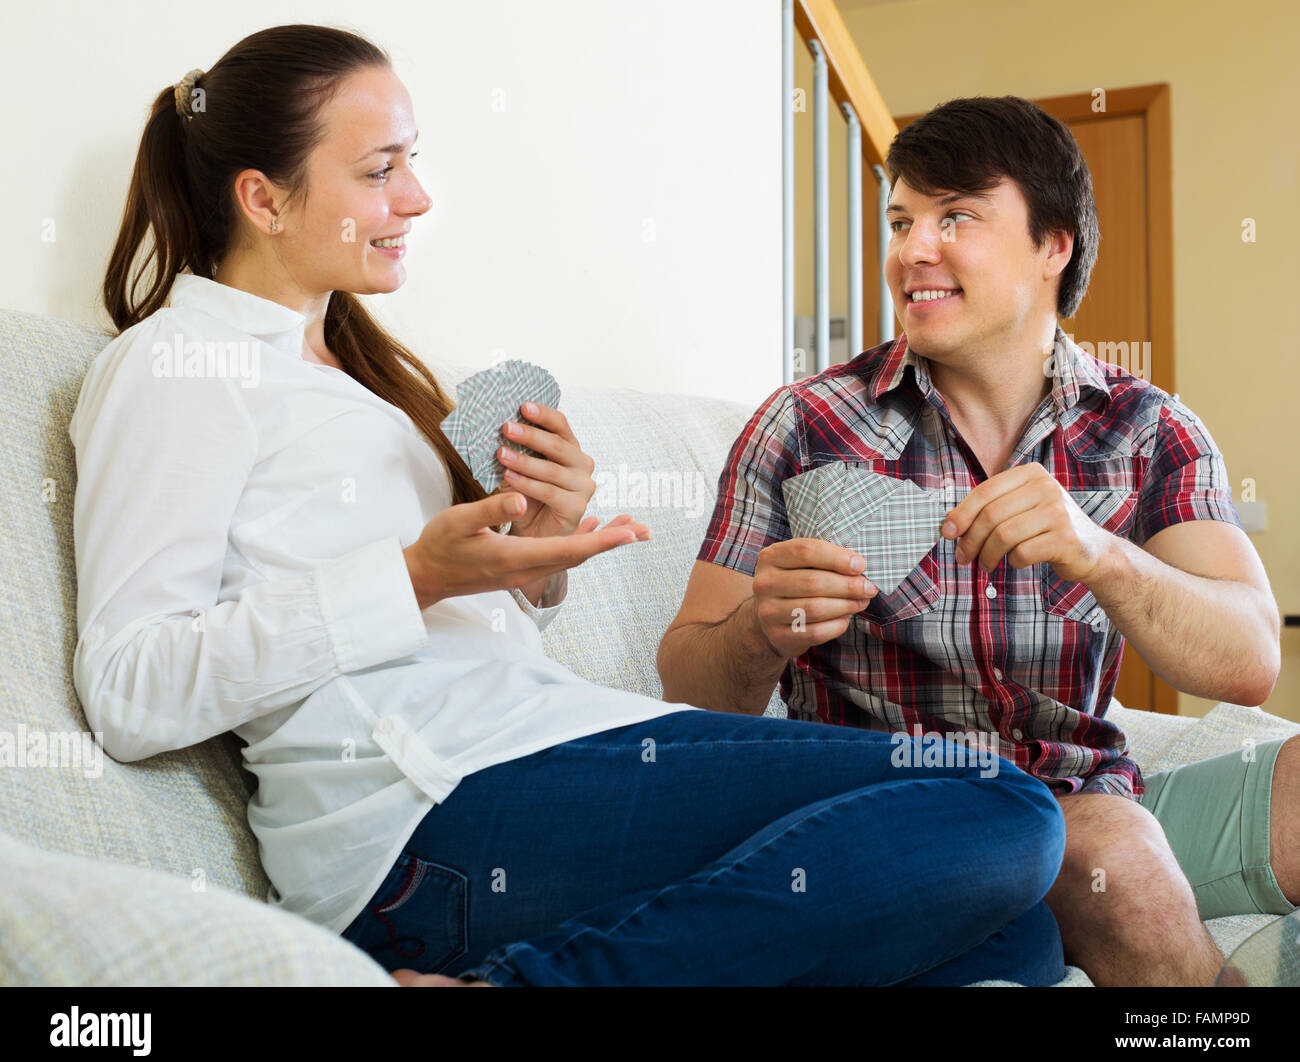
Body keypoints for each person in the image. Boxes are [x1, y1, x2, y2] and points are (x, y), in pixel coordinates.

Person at [70, 25, 1067, 988]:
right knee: (1002, 807)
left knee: (1014, 930)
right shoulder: (175, 364)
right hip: (425, 821)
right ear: (264, 199)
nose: (416, 197)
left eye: (413, 161)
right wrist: (413, 573)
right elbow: (129, 690)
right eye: (379, 170)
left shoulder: (362, 375)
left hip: (534, 748)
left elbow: (453, 625)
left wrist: (539, 545)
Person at [658, 95, 1298, 987]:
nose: (913, 249)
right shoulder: (804, 426)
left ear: (1053, 246)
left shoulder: (1147, 430)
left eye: (955, 216)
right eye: (901, 221)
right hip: (906, 822)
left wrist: (1099, 551)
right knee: (1125, 860)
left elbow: (1247, 662)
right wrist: (760, 631)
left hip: (1092, 791)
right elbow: (691, 692)